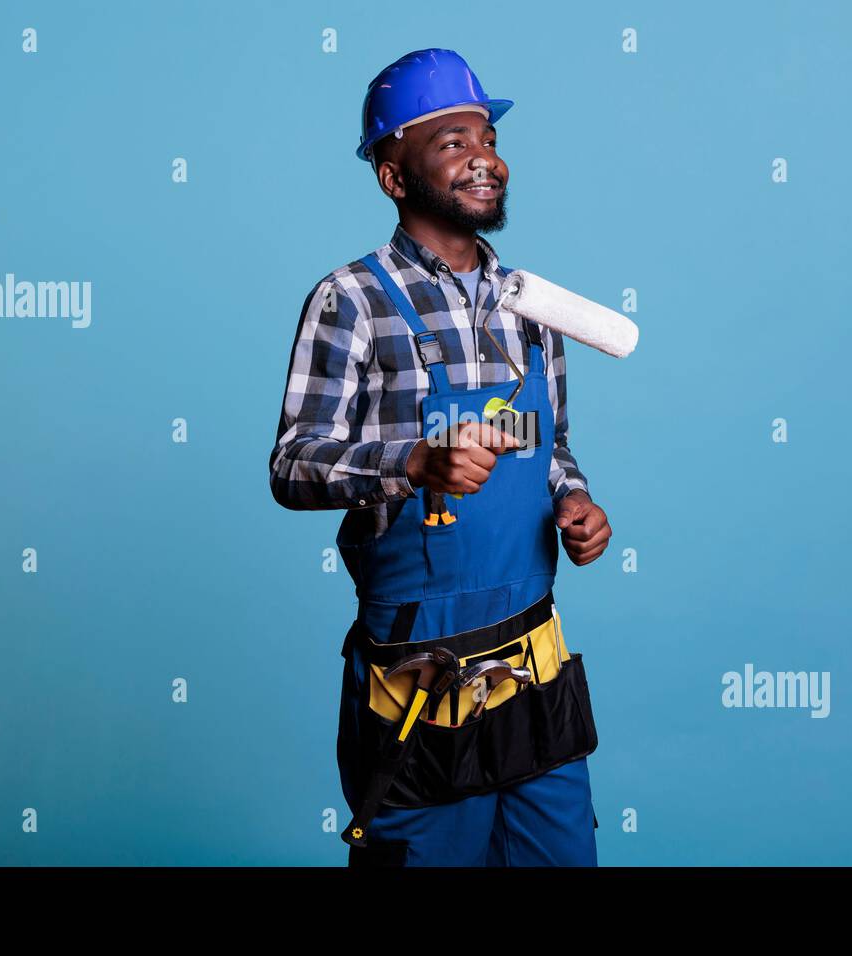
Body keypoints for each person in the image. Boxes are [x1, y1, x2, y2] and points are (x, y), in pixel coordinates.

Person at [270, 48, 612, 866]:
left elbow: (549, 445)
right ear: (394, 176)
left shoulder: (534, 307)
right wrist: (415, 464)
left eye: (486, 137)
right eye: (452, 142)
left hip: (534, 670)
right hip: (418, 685)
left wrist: (574, 503)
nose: (483, 156)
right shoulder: (350, 300)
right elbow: (293, 464)